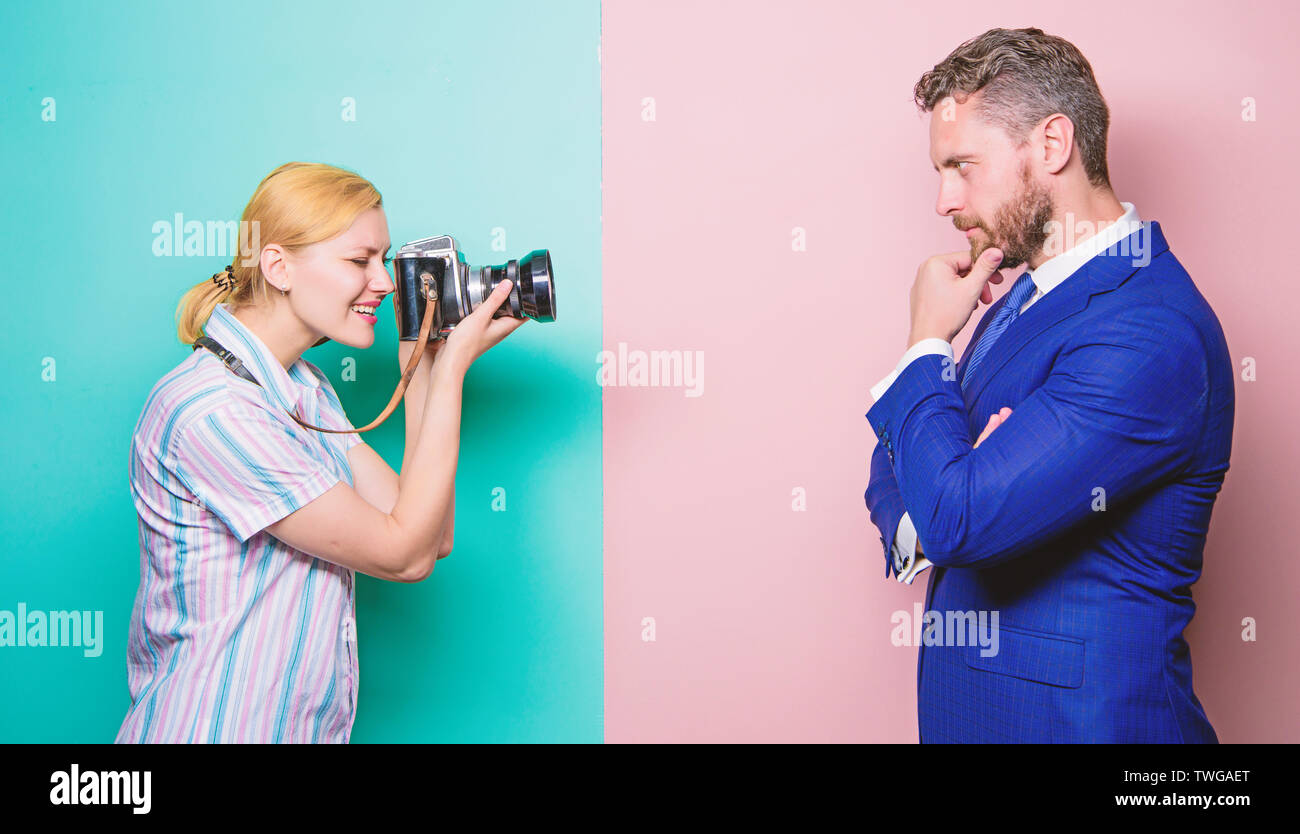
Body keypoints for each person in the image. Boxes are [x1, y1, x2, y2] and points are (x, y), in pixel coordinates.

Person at [864, 29, 1233, 742]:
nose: (945, 200)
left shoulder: (1149, 328)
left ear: (1053, 145)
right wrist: (942, 498)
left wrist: (927, 346)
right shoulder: (1023, 297)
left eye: (963, 165)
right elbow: (898, 457)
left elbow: (956, 509)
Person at [116, 161, 524, 743]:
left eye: (383, 261)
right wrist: (454, 369)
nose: (383, 283)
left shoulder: (302, 388)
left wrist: (426, 360)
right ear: (278, 266)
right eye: (360, 261)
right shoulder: (216, 410)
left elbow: (429, 535)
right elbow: (401, 556)